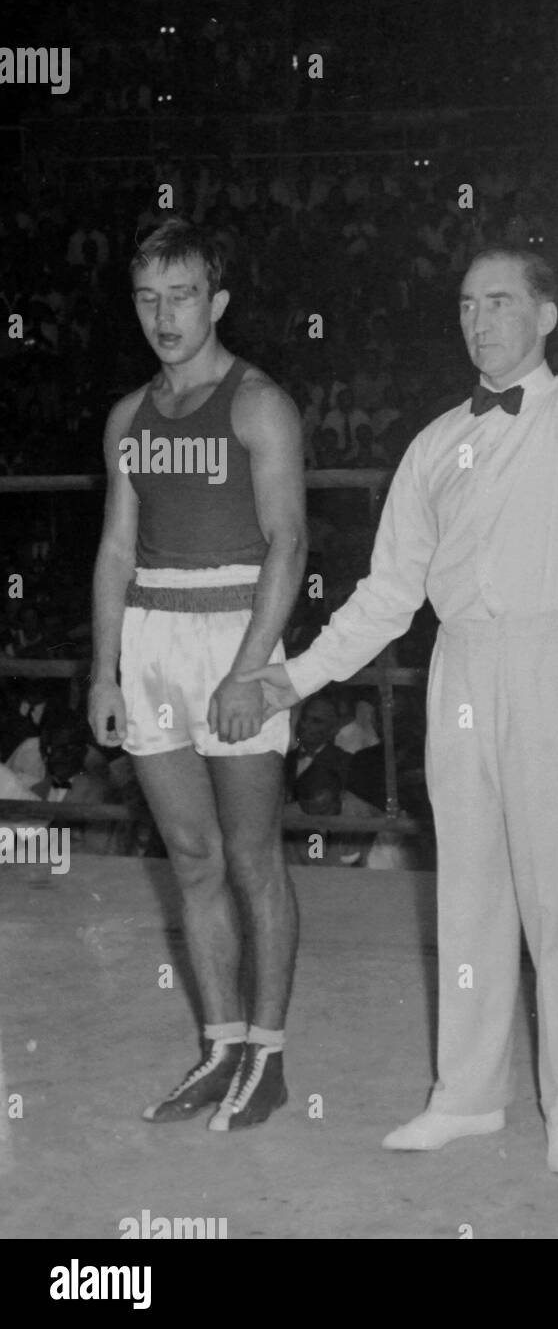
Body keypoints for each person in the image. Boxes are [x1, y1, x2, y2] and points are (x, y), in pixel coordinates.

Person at [241, 112, 558, 1173]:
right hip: (461, 665)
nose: (480, 322)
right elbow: (387, 594)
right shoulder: (432, 441)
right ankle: (467, 1094)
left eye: (502, 302)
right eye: (467, 306)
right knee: (466, 890)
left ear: (546, 314)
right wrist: (285, 676)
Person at [88, 215, 307, 1132]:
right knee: (191, 856)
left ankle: (270, 1053)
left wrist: (251, 668)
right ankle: (220, 1047)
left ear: (215, 300)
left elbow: (289, 542)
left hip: (234, 631)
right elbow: (115, 549)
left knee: (254, 857)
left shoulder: (259, 402)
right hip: (151, 637)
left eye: (181, 295)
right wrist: (103, 671)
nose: (164, 315)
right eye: (147, 297)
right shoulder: (128, 418)